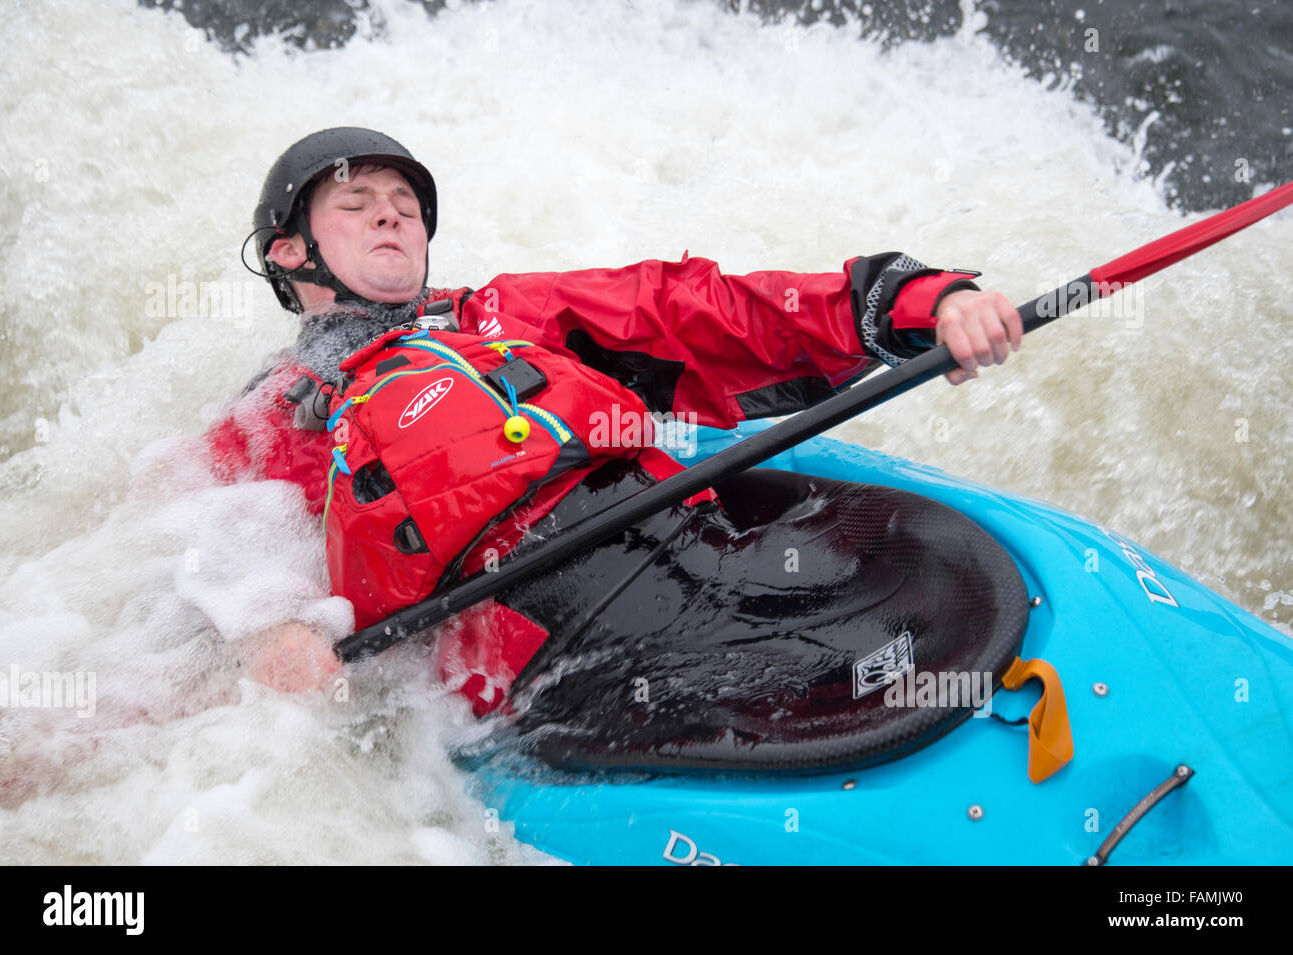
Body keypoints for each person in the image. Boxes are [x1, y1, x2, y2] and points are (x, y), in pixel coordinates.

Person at [216, 127, 1023, 710]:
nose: (394, 216)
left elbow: (694, 311)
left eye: (406, 205)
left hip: (695, 561)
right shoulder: (275, 416)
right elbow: (203, 554)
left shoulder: (500, 314)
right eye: (358, 204)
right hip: (547, 672)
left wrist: (920, 302)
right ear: (290, 252)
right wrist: (266, 632)